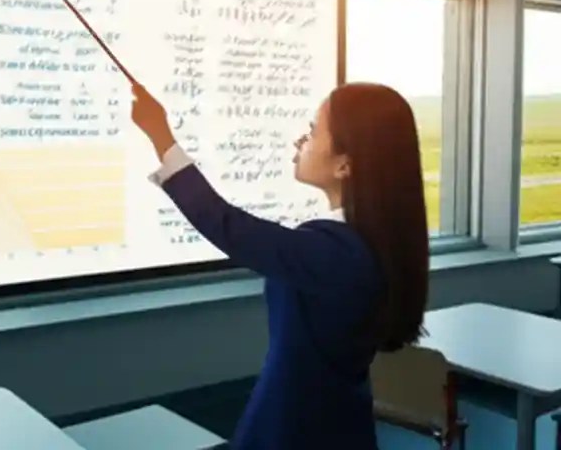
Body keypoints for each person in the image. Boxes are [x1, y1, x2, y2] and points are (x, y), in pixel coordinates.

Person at [129, 78, 430, 450]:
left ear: (344, 166)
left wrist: (162, 138)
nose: (299, 142)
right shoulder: (367, 243)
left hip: (297, 429)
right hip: (332, 423)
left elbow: (227, 227)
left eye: (312, 132)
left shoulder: (337, 253)